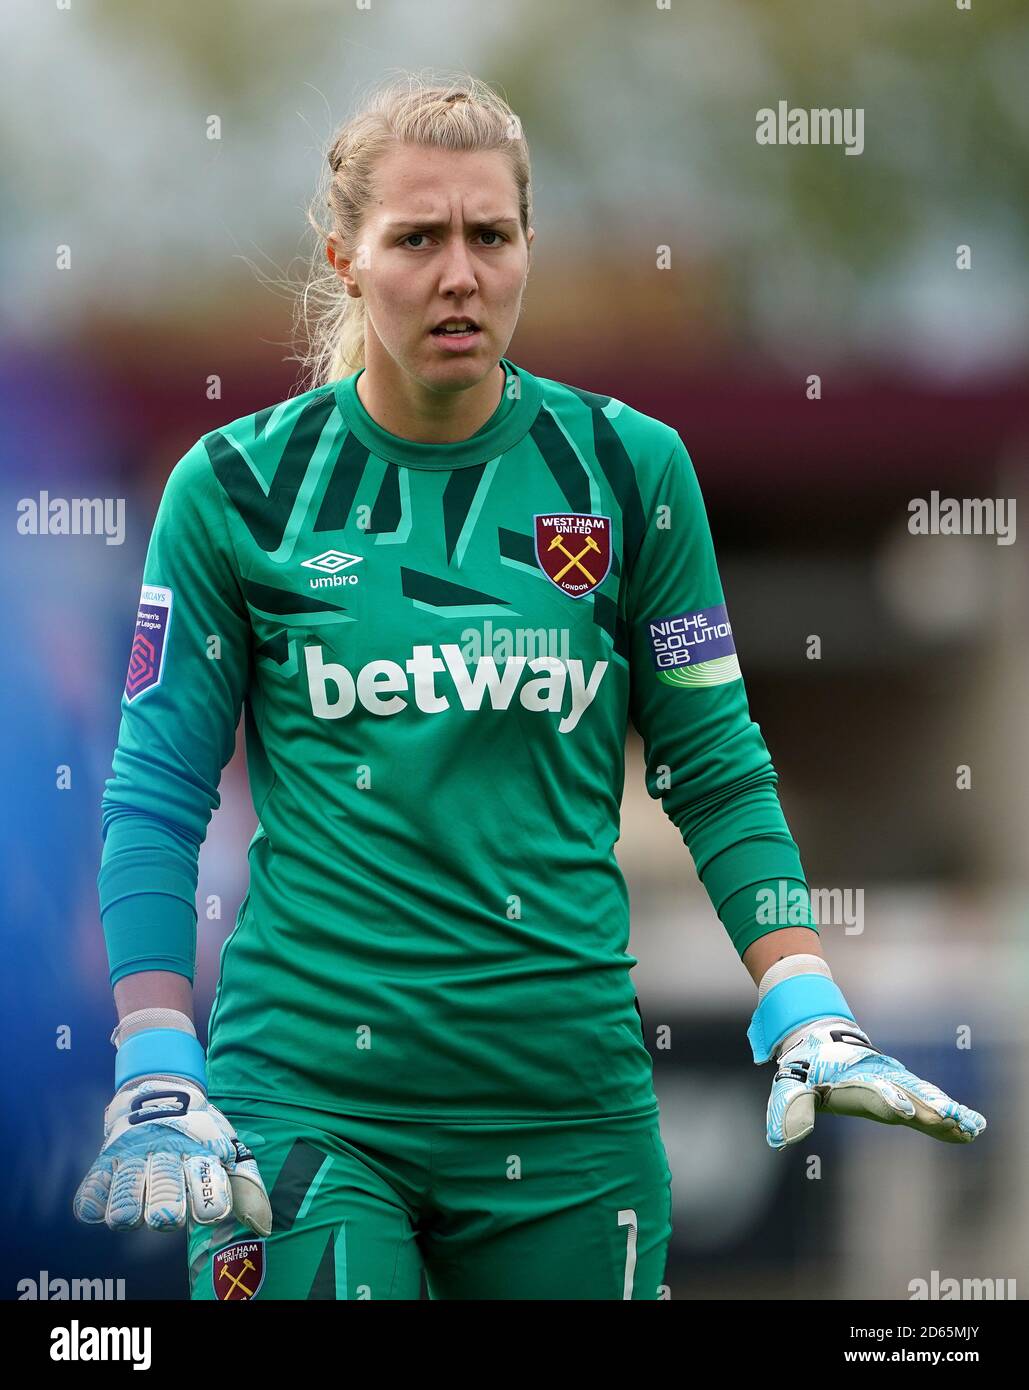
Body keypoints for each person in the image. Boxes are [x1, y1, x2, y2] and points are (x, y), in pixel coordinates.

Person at [74, 71, 985, 1302]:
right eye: (419, 238)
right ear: (345, 254)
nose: (460, 273)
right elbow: (157, 787)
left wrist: (803, 1000)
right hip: (306, 1096)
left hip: (568, 1116)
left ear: (526, 250)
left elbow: (713, 764)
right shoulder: (234, 490)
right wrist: (155, 1045)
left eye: (490, 236)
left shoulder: (629, 468)